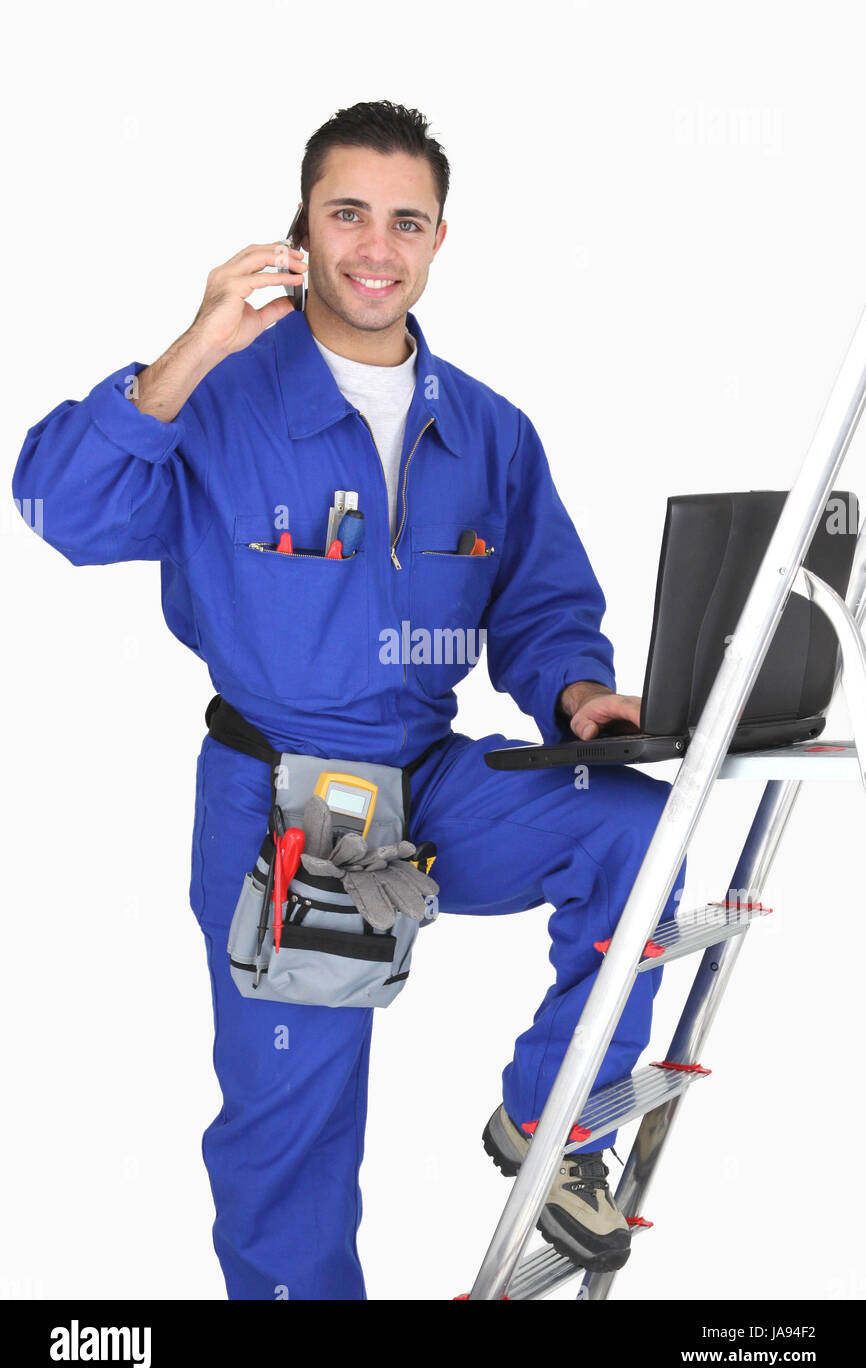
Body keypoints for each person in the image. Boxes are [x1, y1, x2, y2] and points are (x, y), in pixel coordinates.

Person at [13, 99, 685, 1300]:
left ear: (438, 240)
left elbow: (537, 606)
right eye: (347, 214)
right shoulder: (216, 398)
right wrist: (194, 339)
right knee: (295, 1142)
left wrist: (577, 690)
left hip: (426, 776)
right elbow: (65, 510)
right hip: (286, 797)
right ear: (302, 231)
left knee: (636, 825)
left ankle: (549, 1121)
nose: (376, 246)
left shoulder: (484, 427)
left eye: (405, 220)